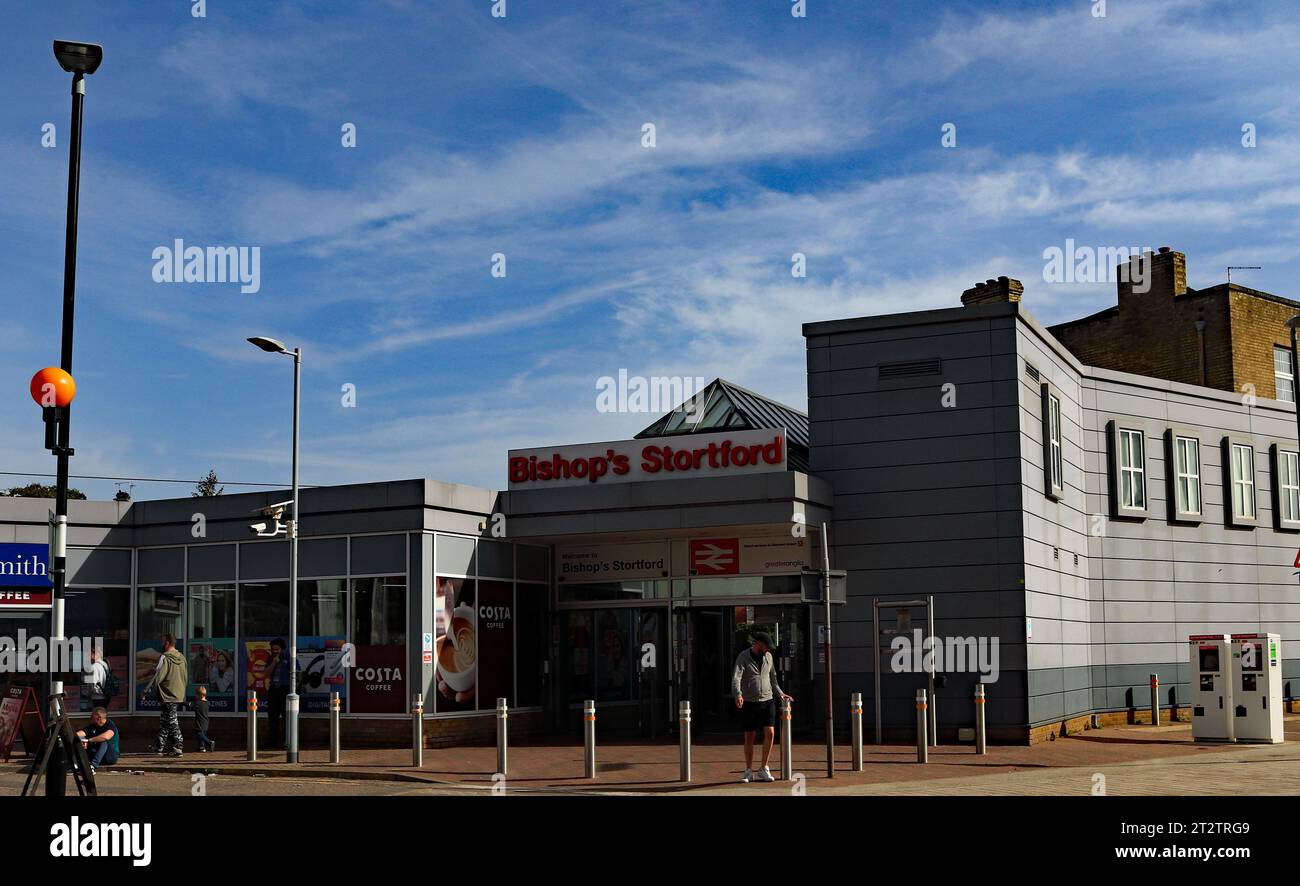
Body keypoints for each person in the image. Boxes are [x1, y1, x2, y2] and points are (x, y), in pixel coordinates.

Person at [731, 631, 793, 783]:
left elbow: (773, 679)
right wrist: (738, 694)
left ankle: (764, 768)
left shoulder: (769, 657)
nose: (768, 649)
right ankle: (748, 770)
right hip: (750, 701)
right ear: (758, 643)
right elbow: (736, 677)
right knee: (749, 736)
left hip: (768, 700)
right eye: (766, 646)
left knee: (770, 733)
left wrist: (781, 694)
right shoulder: (743, 657)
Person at [149, 634, 189, 757]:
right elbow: (185, 676)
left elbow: (158, 676)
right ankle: (159, 746)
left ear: (167, 643)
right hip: (178, 693)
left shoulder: (164, 658)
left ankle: (178, 745)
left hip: (167, 694)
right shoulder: (182, 657)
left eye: (162, 642)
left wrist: (147, 690)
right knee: (165, 720)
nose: (161, 644)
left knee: (171, 721)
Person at [76, 707, 119, 774]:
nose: (90, 718)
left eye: (92, 716)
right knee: (80, 739)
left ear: (99, 717)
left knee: (103, 741)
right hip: (96, 754)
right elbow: (82, 733)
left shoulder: (110, 724)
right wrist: (71, 735)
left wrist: (89, 740)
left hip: (110, 756)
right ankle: (76, 764)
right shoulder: (93, 726)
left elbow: (106, 737)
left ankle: (92, 766)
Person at [265, 638, 291, 749]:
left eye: (277, 649)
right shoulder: (271, 658)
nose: (275, 651)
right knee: (272, 716)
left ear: (282, 649)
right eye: (273, 649)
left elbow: (296, 672)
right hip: (273, 690)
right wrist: (274, 663)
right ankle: (272, 741)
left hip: (285, 689)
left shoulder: (288, 658)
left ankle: (287, 741)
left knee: (286, 716)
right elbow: (266, 673)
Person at [84, 645, 109, 711]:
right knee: (103, 717)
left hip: (97, 698)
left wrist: (87, 694)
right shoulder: (105, 664)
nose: (87, 657)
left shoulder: (92, 667)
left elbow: (90, 685)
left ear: (94, 655)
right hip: (106, 696)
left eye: (89, 654)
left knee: (97, 718)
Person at [192, 685, 215, 752]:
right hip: (206, 722)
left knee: (199, 734)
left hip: (200, 722)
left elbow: (189, 704)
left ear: (199, 695)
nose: (195, 696)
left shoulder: (198, 703)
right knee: (203, 734)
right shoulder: (207, 703)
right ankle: (202, 747)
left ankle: (210, 742)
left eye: (196, 694)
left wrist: (180, 702)